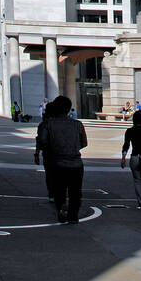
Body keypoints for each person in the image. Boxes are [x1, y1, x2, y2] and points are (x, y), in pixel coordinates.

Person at [35, 95, 87, 223]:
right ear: (69, 109)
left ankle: (61, 209)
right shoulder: (77, 124)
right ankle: (73, 216)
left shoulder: (48, 124)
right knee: (76, 192)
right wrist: (73, 147)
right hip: (76, 163)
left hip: (57, 162)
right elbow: (84, 142)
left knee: (59, 190)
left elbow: (42, 140)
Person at [34, 100, 57, 200]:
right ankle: (60, 192)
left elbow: (40, 140)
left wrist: (36, 154)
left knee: (49, 174)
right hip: (64, 153)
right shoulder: (71, 123)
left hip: (48, 153)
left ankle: (52, 193)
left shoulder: (43, 125)